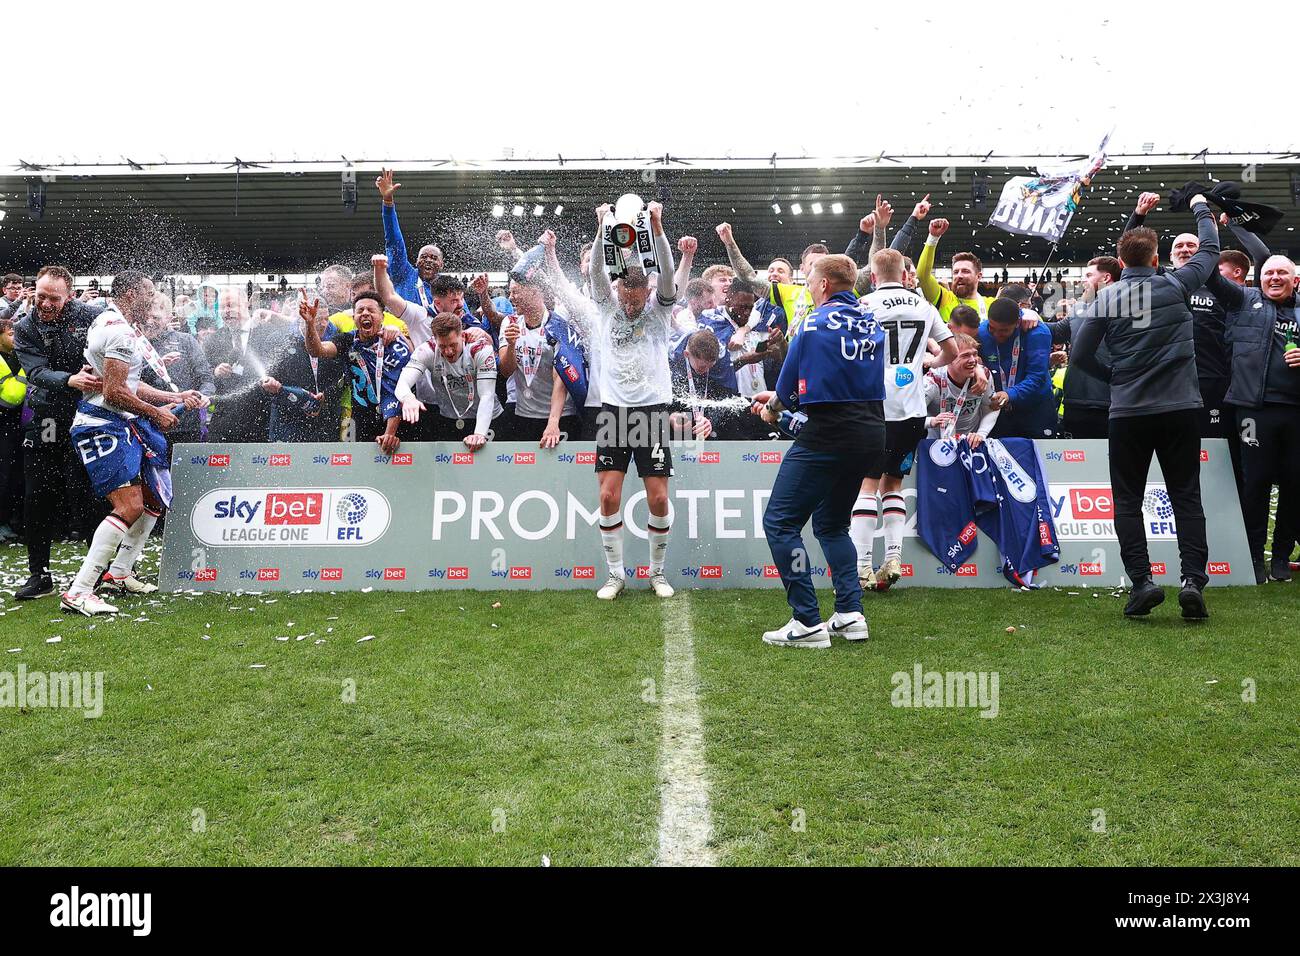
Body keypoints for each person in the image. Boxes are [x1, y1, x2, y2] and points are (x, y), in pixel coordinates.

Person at [1072, 193, 1219, 619]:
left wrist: (1114, 377)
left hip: (1128, 413)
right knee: (1186, 496)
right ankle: (1193, 581)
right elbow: (1209, 249)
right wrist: (1198, 206)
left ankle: (1142, 583)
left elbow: (1080, 356)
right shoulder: (1177, 282)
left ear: (1120, 261)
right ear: (1157, 259)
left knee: (1127, 500)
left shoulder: (1106, 298)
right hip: (1180, 409)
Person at [749, 254, 886, 648]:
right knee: (830, 525)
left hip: (828, 434)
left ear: (824, 284)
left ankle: (807, 621)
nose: (808, 284)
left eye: (810, 278)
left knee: (780, 523)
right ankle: (850, 614)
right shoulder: (871, 322)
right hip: (871, 433)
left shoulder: (811, 322)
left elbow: (786, 391)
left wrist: (773, 410)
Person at [63, 271, 205, 615]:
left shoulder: (112, 323)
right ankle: (80, 590)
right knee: (128, 506)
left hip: (120, 423)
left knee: (154, 499)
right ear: (130, 294)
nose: (154, 303)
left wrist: (174, 395)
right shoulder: (120, 331)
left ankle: (119, 573)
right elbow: (114, 392)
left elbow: (130, 383)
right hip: (102, 425)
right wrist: (156, 414)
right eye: (149, 295)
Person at [583, 200, 680, 601]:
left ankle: (657, 572)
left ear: (647, 291)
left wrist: (657, 229)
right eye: (626, 292)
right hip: (613, 412)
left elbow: (670, 275)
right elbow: (593, 270)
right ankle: (615, 575)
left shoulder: (659, 312)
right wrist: (604, 225)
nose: (630, 300)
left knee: (658, 497)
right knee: (608, 496)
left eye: (637, 294)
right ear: (619, 287)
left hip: (652, 410)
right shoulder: (607, 308)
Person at [852, 248, 958, 591]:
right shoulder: (923, 306)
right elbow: (952, 352)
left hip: (874, 406)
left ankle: (863, 566)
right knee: (893, 483)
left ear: (872, 275)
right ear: (903, 273)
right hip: (913, 409)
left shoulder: (863, 305)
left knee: (866, 485)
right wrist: (927, 364)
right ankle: (894, 557)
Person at [1206, 254, 1300, 584]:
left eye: (1282, 273)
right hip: (1253, 409)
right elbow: (1211, 277)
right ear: (1259, 280)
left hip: (1296, 412)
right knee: (1256, 483)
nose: (1274, 278)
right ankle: (1254, 554)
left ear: (1295, 280)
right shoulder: (1244, 301)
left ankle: (1281, 557)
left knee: (1294, 484)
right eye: (1269, 273)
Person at [12, 266, 104, 600]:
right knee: (38, 495)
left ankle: (99, 572)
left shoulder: (93, 315)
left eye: (54, 298)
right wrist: (69, 379)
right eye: (41, 296)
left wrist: (97, 370)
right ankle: (40, 575)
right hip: (47, 418)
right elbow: (35, 372)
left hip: (89, 414)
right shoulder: (25, 328)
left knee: (91, 493)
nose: (46, 304)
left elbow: (116, 348)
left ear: (70, 295)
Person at [302, 291, 410, 454]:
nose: (365, 313)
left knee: (401, 471)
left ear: (382, 316)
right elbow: (317, 350)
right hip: (361, 419)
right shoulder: (347, 341)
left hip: (398, 420)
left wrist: (389, 433)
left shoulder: (394, 342)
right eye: (360, 311)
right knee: (361, 473)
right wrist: (310, 324)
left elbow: (395, 389)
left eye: (371, 310)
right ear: (354, 318)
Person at [498, 266, 585, 445]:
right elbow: (506, 371)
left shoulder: (558, 326)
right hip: (524, 414)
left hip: (561, 415)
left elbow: (561, 380)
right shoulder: (510, 322)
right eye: (510, 292)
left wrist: (553, 423)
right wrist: (512, 344)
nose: (511, 297)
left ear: (534, 291)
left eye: (515, 292)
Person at [395, 311, 500, 448]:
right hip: (449, 418)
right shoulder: (427, 350)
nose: (449, 351)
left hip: (488, 419)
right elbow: (402, 383)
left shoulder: (480, 349)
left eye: (453, 345)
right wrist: (407, 397)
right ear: (435, 339)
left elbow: (487, 395)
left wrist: (479, 434)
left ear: (462, 336)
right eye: (443, 346)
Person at [203, 286, 290, 442]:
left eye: (231, 305)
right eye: (222, 307)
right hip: (224, 422)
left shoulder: (268, 332)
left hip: (262, 419)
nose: (226, 311)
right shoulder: (213, 340)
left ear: (245, 304)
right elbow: (204, 375)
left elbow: (282, 369)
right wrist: (215, 372)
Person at [261, 295, 349, 443]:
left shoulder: (335, 341)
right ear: (301, 317)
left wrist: (325, 397)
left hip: (326, 423)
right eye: (317, 319)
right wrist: (270, 386)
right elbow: (265, 382)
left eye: (326, 318)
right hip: (288, 423)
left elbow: (344, 378)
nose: (323, 324)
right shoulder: (278, 341)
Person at [144, 292, 214, 458]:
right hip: (147, 424)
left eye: (155, 318)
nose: (149, 322)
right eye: (145, 317)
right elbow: (130, 383)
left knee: (186, 478)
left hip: (185, 426)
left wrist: (204, 395)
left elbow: (206, 378)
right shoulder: (134, 342)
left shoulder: (186, 341)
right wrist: (153, 367)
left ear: (169, 318)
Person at [980, 297, 1054, 439]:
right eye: (992, 328)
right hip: (998, 410)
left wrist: (1009, 394)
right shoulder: (982, 332)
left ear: (1018, 323)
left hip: (1035, 410)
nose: (996, 335)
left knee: (1038, 458)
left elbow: (1037, 377)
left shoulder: (1038, 333)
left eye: (1004, 331)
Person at [375, 168, 444, 306]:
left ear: (441, 265)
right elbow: (394, 242)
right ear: (417, 262)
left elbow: (462, 316)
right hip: (402, 328)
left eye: (434, 258)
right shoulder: (404, 274)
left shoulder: (447, 287)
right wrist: (388, 202)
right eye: (423, 257)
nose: (428, 261)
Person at [923, 333, 999, 443]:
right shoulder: (933, 381)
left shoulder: (983, 376)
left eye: (975, 354)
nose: (973, 360)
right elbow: (909, 418)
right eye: (965, 355)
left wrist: (981, 434)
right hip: (938, 445)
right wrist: (932, 421)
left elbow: (992, 407)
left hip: (971, 443)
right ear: (949, 359)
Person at [916, 217, 997, 321]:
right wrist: (933, 237)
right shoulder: (945, 299)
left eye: (965, 271)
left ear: (979, 276)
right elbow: (922, 275)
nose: (959, 275)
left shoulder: (991, 305)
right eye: (955, 272)